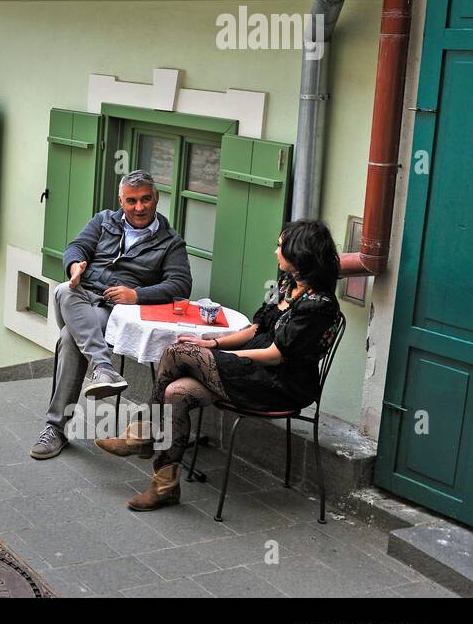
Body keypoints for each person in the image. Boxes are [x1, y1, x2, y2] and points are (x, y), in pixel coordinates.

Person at [95, 219, 343, 511]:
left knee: (176, 352)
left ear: (299, 254)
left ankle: (142, 433)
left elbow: (277, 354)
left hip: (279, 384)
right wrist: (213, 345)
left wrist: (224, 359)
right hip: (251, 369)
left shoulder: (320, 306)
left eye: (280, 246)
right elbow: (256, 328)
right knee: (176, 392)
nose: (275, 251)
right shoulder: (288, 284)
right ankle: (165, 486)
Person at [29, 170, 192, 461]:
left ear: (156, 198)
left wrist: (137, 294)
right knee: (65, 290)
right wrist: (75, 266)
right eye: (131, 201)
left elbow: (180, 284)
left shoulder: (170, 242)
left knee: (69, 337)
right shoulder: (103, 220)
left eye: (145, 199)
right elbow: (76, 247)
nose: (139, 207)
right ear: (121, 201)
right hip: (81, 295)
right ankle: (104, 367)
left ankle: (55, 428)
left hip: (112, 310)